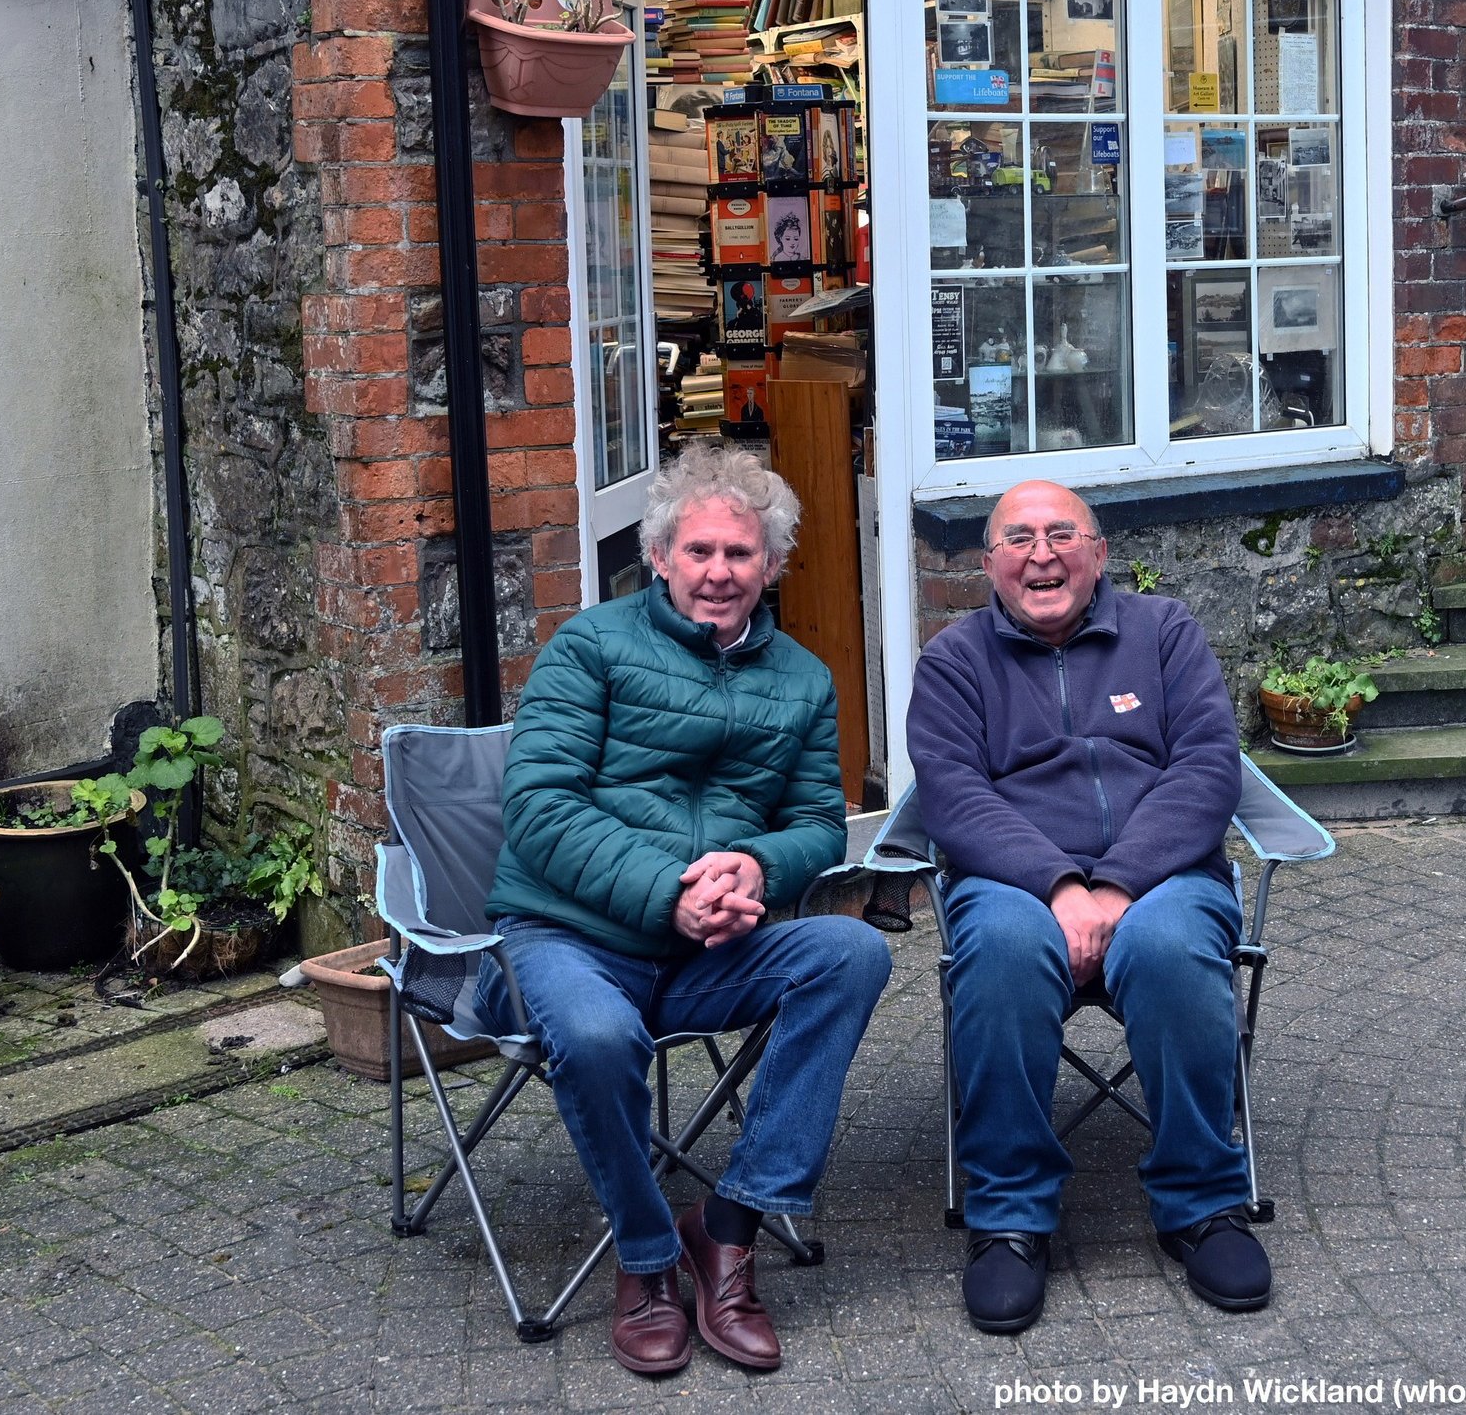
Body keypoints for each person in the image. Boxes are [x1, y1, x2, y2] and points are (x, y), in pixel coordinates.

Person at [483, 444, 892, 1379]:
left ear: (773, 567)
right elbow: (540, 810)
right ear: (659, 555)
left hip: (712, 952)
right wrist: (674, 890)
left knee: (851, 954)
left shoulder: (802, 679)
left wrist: (753, 866)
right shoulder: (588, 646)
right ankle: (645, 1258)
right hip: (570, 939)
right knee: (591, 1036)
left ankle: (730, 1227)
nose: (718, 572)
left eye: (740, 555)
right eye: (698, 551)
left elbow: (819, 826)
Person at [905, 479, 1266, 1335]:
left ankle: (1203, 1203)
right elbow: (954, 798)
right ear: (988, 563)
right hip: (1014, 883)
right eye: (1019, 538)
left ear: (1099, 553)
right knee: (995, 952)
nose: (1042, 553)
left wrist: (1117, 885)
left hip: (1164, 874)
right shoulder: (954, 661)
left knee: (1175, 949)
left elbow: (1208, 769)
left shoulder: (1165, 631)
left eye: (1063, 533)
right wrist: (1060, 886)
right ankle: (1009, 1216)